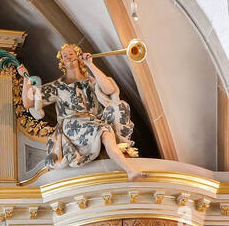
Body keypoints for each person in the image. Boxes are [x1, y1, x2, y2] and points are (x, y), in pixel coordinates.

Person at [21, 42, 143, 179]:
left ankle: (124, 156)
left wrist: (90, 64)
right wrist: (26, 79)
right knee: (105, 132)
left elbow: (110, 90)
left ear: (78, 56)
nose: (68, 57)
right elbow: (28, 102)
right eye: (64, 55)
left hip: (94, 121)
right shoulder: (56, 86)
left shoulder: (91, 81)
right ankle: (129, 169)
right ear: (62, 61)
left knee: (120, 106)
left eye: (71, 54)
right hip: (72, 125)